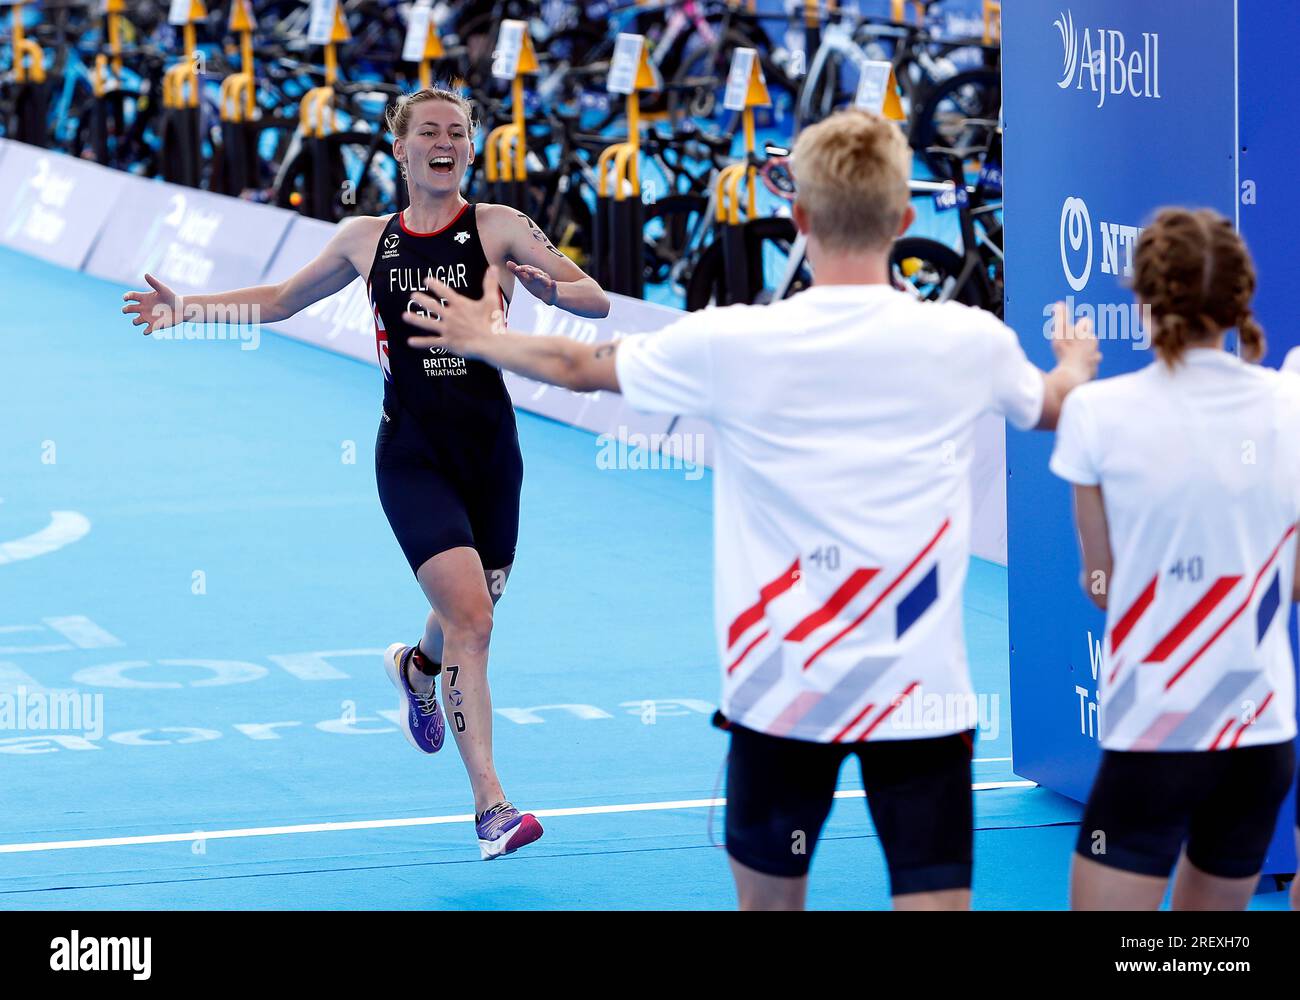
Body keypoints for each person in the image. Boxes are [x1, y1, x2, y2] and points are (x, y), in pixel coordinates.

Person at [400, 109, 1100, 908]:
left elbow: (579, 363)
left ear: (797, 217)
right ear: (907, 221)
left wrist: (485, 337)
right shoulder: (968, 339)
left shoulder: (732, 341)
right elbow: (1055, 405)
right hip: (921, 700)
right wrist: (1075, 358)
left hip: (779, 700)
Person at [121, 86, 610, 861]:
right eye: (428, 132)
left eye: (457, 131)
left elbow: (598, 300)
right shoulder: (364, 239)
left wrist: (550, 286)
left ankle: (417, 672)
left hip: (492, 457)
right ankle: (492, 806)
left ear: (471, 148)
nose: (444, 142)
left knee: (467, 613)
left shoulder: (500, 227)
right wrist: (192, 309)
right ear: (399, 149)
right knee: (474, 626)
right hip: (410, 457)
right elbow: (282, 301)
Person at [1051, 208, 1300, 910]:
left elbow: (1101, 586)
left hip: (1154, 731)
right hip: (1261, 737)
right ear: (1241, 299)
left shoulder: (1096, 413)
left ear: (1144, 296)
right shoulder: (1291, 403)